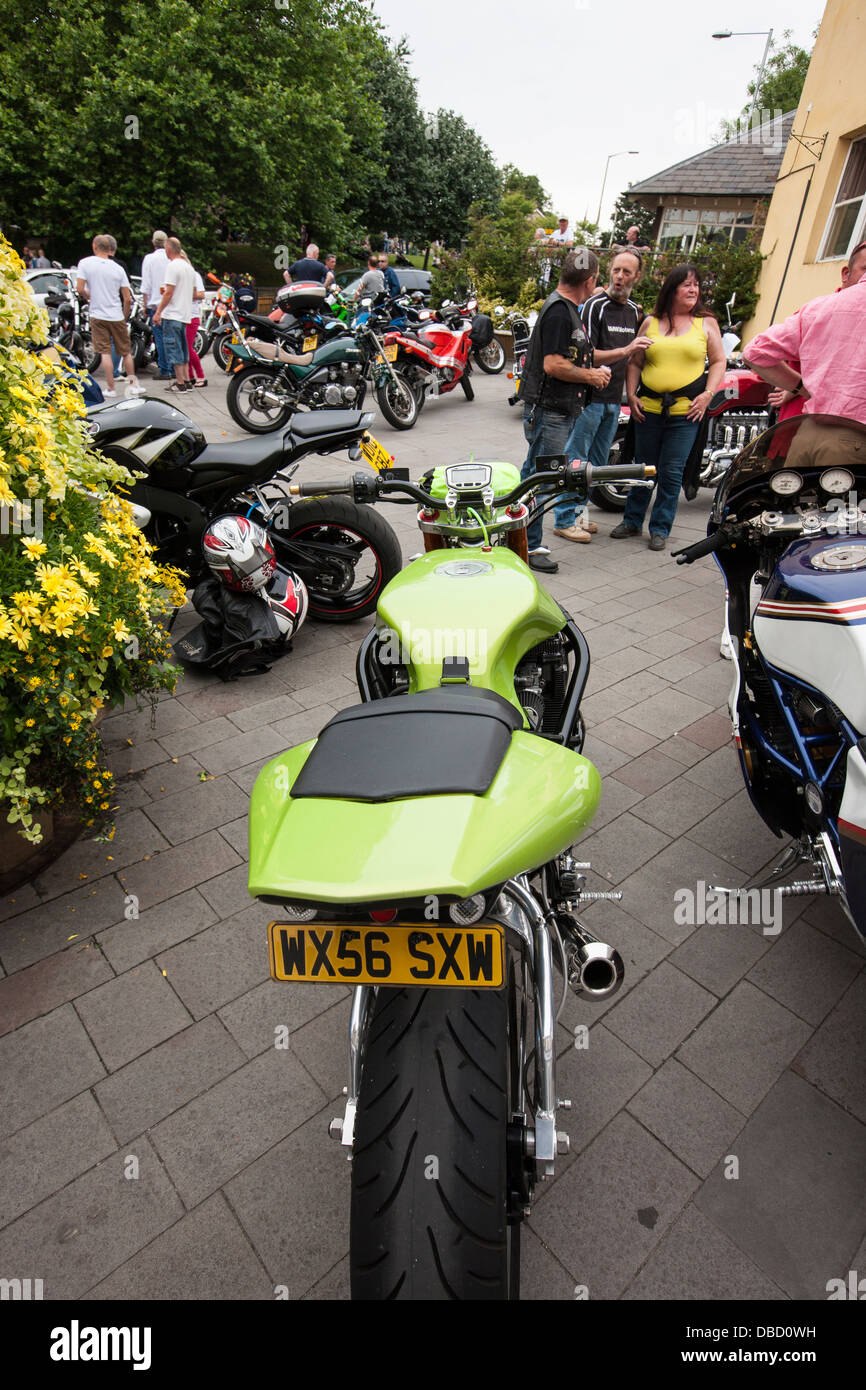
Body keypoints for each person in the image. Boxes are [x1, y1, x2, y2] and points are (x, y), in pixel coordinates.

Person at [614, 264, 726, 550]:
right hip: (648, 408)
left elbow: (718, 361)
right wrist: (631, 394)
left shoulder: (706, 322)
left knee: (671, 471)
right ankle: (631, 520)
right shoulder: (650, 322)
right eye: (686, 284)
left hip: (686, 412)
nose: (693, 289)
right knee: (643, 468)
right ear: (672, 288)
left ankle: (660, 528)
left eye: (696, 285)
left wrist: (708, 394)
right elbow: (635, 362)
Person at [518, 248, 612, 573]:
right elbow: (554, 364)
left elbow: (575, 354)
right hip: (550, 410)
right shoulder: (561, 311)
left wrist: (618, 353)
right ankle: (529, 547)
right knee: (540, 479)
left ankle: (520, 540)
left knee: (532, 475)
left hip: (553, 410)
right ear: (590, 280)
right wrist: (592, 376)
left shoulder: (566, 308)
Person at [557, 250, 652, 542]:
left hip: (614, 400)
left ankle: (580, 516)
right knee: (576, 460)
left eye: (627, 272)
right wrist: (624, 351)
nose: (620, 277)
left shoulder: (634, 311)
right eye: (616, 270)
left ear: (637, 277)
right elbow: (584, 354)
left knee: (596, 466)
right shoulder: (595, 306)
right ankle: (563, 519)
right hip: (589, 398)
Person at [767, 241, 866, 420]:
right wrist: (799, 387)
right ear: (846, 274)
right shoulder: (818, 311)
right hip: (802, 419)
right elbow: (762, 352)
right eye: (865, 270)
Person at [76, 234, 143, 398]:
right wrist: (124, 316)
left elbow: (79, 288)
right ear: (110, 249)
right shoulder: (118, 268)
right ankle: (133, 385)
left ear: (94, 246)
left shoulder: (85, 263)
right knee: (125, 351)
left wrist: (88, 296)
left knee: (105, 352)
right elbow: (127, 298)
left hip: (97, 314)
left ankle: (111, 388)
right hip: (116, 314)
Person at [153, 236, 196, 392]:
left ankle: (179, 383)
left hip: (172, 314)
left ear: (168, 249)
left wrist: (158, 312)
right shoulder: (188, 268)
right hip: (184, 314)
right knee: (183, 349)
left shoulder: (172, 267)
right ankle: (186, 380)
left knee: (173, 347)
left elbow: (169, 293)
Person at [140, 230, 172, 379]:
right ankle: (173, 368)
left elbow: (146, 285)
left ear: (153, 242)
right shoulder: (171, 259)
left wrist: (145, 305)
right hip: (171, 305)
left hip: (155, 305)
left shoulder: (149, 259)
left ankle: (164, 368)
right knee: (171, 338)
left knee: (159, 338)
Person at [182, 251, 208, 389]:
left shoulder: (193, 275)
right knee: (185, 347)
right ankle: (190, 376)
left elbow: (201, 294)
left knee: (187, 348)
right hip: (182, 315)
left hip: (191, 315)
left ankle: (200, 375)